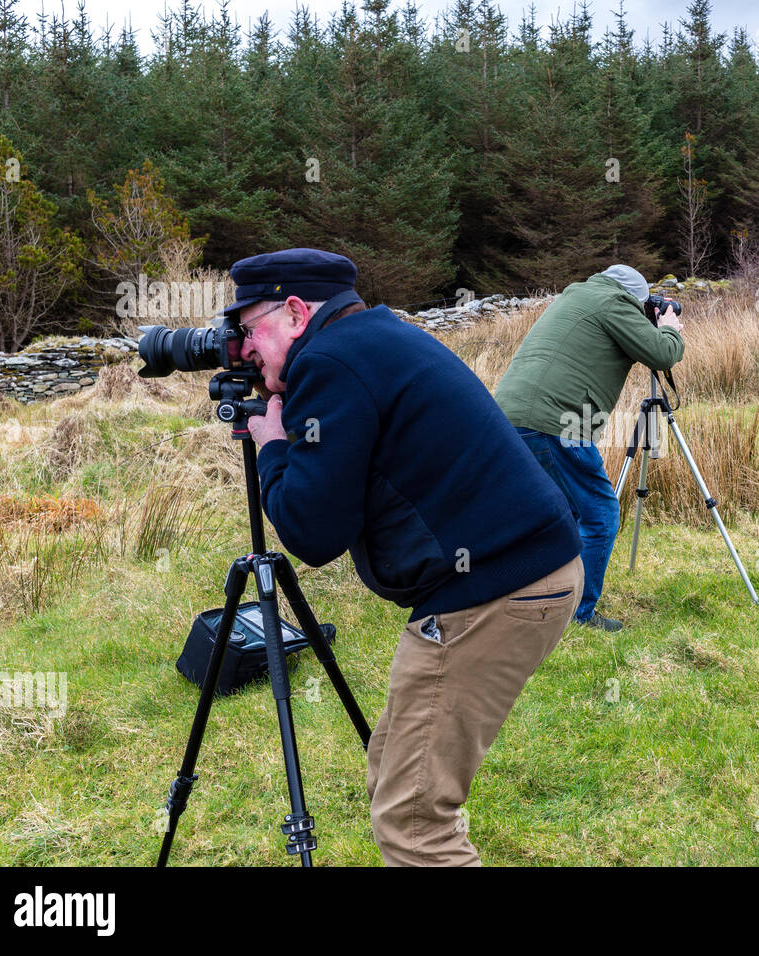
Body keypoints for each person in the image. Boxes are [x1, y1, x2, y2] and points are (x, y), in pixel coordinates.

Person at [234, 248, 583, 866]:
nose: (241, 352)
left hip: (495, 593)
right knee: (395, 769)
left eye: (247, 328)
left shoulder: (330, 363)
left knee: (414, 821)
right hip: (523, 573)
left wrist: (272, 445)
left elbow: (313, 533)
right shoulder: (372, 338)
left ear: (295, 312)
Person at [494, 265, 685, 632]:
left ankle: (529, 599)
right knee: (599, 515)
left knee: (550, 516)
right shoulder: (616, 304)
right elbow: (661, 353)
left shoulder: (577, 295)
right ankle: (578, 613)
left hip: (507, 417)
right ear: (635, 298)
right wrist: (670, 329)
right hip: (559, 422)